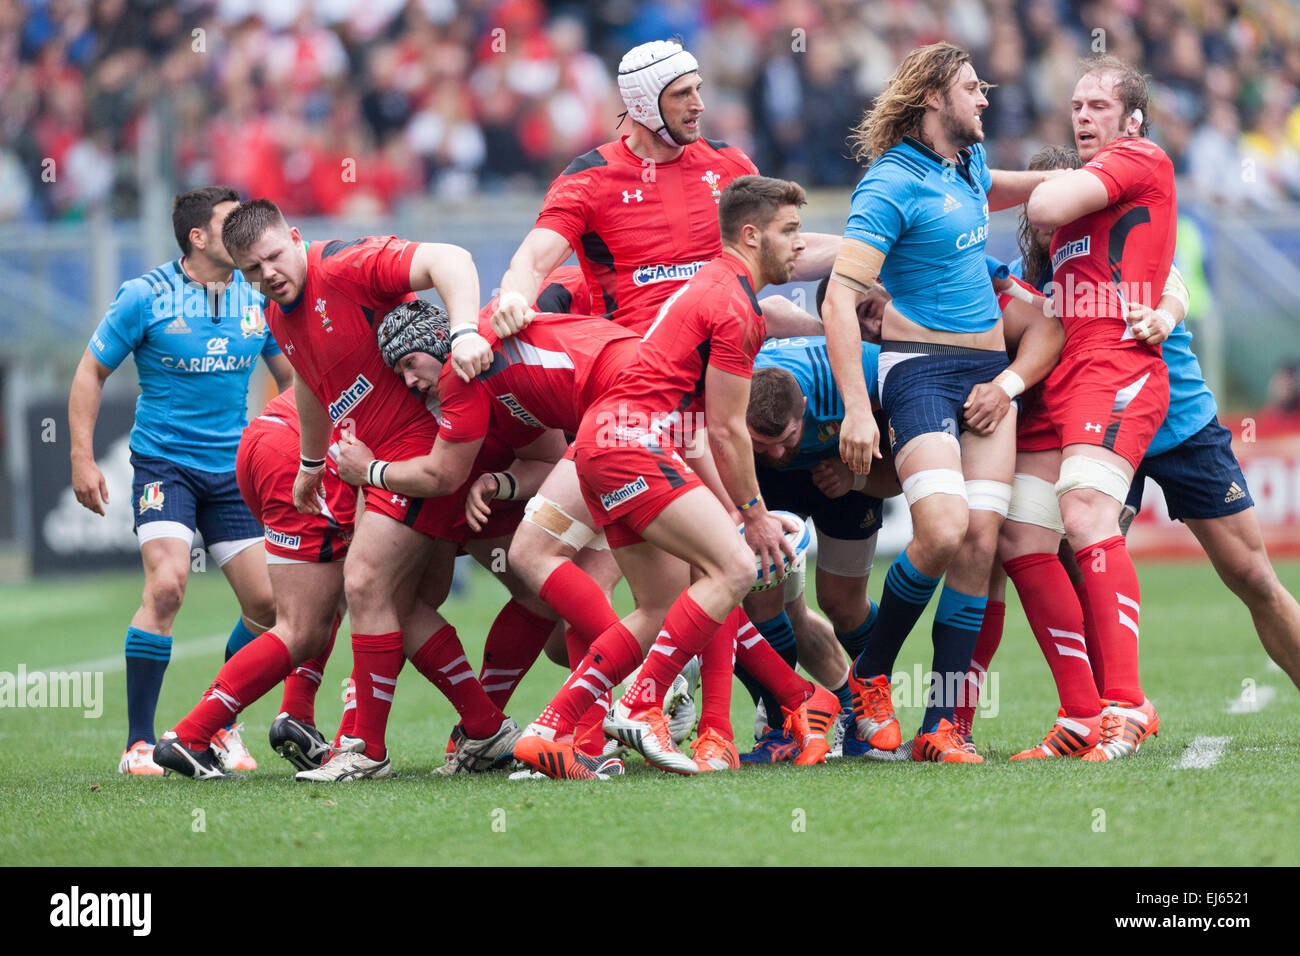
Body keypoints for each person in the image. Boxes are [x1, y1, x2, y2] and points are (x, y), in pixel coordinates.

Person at [513, 175, 840, 780]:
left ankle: (549, 729)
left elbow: (704, 426)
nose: (800, 245)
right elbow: (725, 430)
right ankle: (648, 704)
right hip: (632, 441)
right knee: (735, 568)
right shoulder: (734, 304)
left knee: (660, 606)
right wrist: (753, 513)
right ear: (750, 235)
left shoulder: (718, 286)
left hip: (604, 441)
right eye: (790, 231)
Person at [219, 199, 516, 781]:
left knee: (366, 583)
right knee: (403, 607)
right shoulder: (280, 314)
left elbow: (450, 259)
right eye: (252, 270)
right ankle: (487, 730)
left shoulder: (345, 264)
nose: (268, 274)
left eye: (274, 257)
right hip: (396, 460)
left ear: (295, 237)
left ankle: (367, 750)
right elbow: (310, 382)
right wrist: (310, 460)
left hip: (425, 453)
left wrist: (460, 335)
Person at [821, 42, 1055, 763]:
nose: (983, 99)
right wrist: (860, 411)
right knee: (945, 529)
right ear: (933, 98)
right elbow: (840, 297)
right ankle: (868, 679)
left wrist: (1095, 173)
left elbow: (1015, 187)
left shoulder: (969, 164)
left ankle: (942, 728)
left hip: (987, 375)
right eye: (970, 89)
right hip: (918, 371)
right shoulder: (889, 184)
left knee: (980, 547)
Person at [68, 185, 294, 775]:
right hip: (165, 466)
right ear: (197, 237)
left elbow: (295, 378)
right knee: (167, 587)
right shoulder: (144, 296)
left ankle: (215, 725)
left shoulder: (256, 292)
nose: (246, 231)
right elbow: (91, 372)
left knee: (268, 606)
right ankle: (138, 743)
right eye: (230, 223)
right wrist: (81, 458)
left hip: (235, 469)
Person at [1024, 54, 1177, 760]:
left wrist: (1168, 311)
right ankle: (1082, 713)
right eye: (1077, 106)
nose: (1083, 116)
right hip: (1066, 373)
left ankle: (1128, 703)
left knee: (1084, 513)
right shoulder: (1104, 190)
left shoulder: (1139, 157)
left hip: (1116, 365)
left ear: (1131, 120)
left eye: (1098, 107)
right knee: (1020, 538)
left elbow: (1044, 206)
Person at [489, 39, 836, 342]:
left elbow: (787, 249)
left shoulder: (730, 163)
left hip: (727, 343)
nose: (699, 104)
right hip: (636, 360)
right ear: (642, 105)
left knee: (800, 327)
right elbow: (533, 261)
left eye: (698, 89)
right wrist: (513, 299)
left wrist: (869, 251)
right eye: (682, 94)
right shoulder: (589, 178)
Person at [154, 389, 356, 778]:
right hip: (303, 453)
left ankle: (297, 717)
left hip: (268, 437)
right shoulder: (439, 357)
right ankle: (191, 734)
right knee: (324, 617)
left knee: (338, 587)